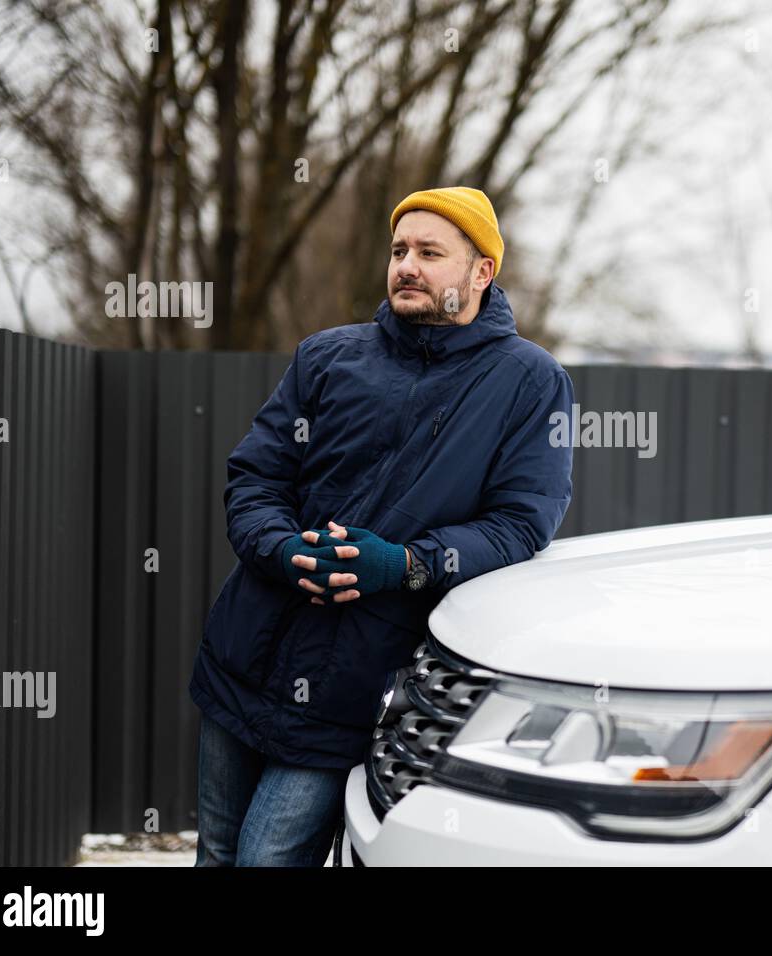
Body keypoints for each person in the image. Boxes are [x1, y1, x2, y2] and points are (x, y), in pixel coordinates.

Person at [188, 186, 574, 866]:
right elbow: (256, 478)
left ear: (482, 272)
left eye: (430, 252)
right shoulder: (327, 356)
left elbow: (520, 526)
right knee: (217, 853)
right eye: (399, 251)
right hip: (244, 653)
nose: (407, 266)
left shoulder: (530, 383)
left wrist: (404, 564)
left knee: (265, 860)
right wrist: (280, 549)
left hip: (353, 684)